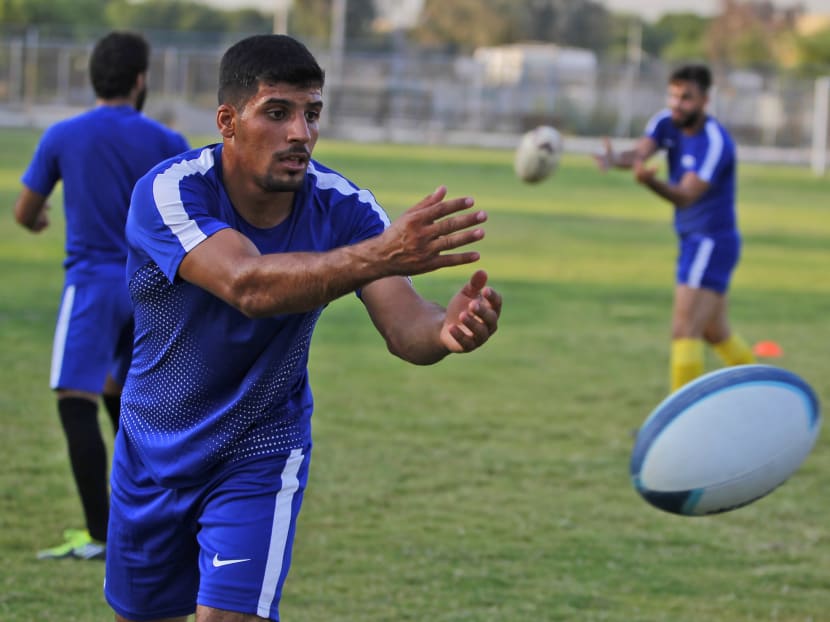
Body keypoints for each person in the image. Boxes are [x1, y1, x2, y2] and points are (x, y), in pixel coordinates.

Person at [104, 33, 502, 622]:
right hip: (152, 448)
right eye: (278, 112)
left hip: (259, 448)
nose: (301, 132)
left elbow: (405, 327)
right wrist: (380, 255)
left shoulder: (346, 209)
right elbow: (246, 284)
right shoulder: (171, 191)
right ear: (227, 121)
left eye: (312, 113)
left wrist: (446, 330)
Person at [13, 31, 190, 561]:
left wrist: (41, 217)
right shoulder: (166, 140)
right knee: (129, 400)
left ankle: (99, 534)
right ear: (140, 79)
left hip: (92, 286)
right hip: (152, 289)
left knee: (75, 400)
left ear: (94, 76)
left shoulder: (64, 135)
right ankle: (161, 519)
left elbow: (26, 211)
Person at [594, 64, 755, 393]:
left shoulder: (714, 142)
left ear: (705, 101)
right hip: (693, 241)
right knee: (715, 332)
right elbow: (640, 153)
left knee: (684, 330)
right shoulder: (665, 122)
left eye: (686, 98)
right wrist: (615, 160)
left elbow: (685, 196)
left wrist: (650, 183)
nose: (677, 104)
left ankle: (681, 422)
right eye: (673, 95)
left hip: (711, 242)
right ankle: (766, 395)